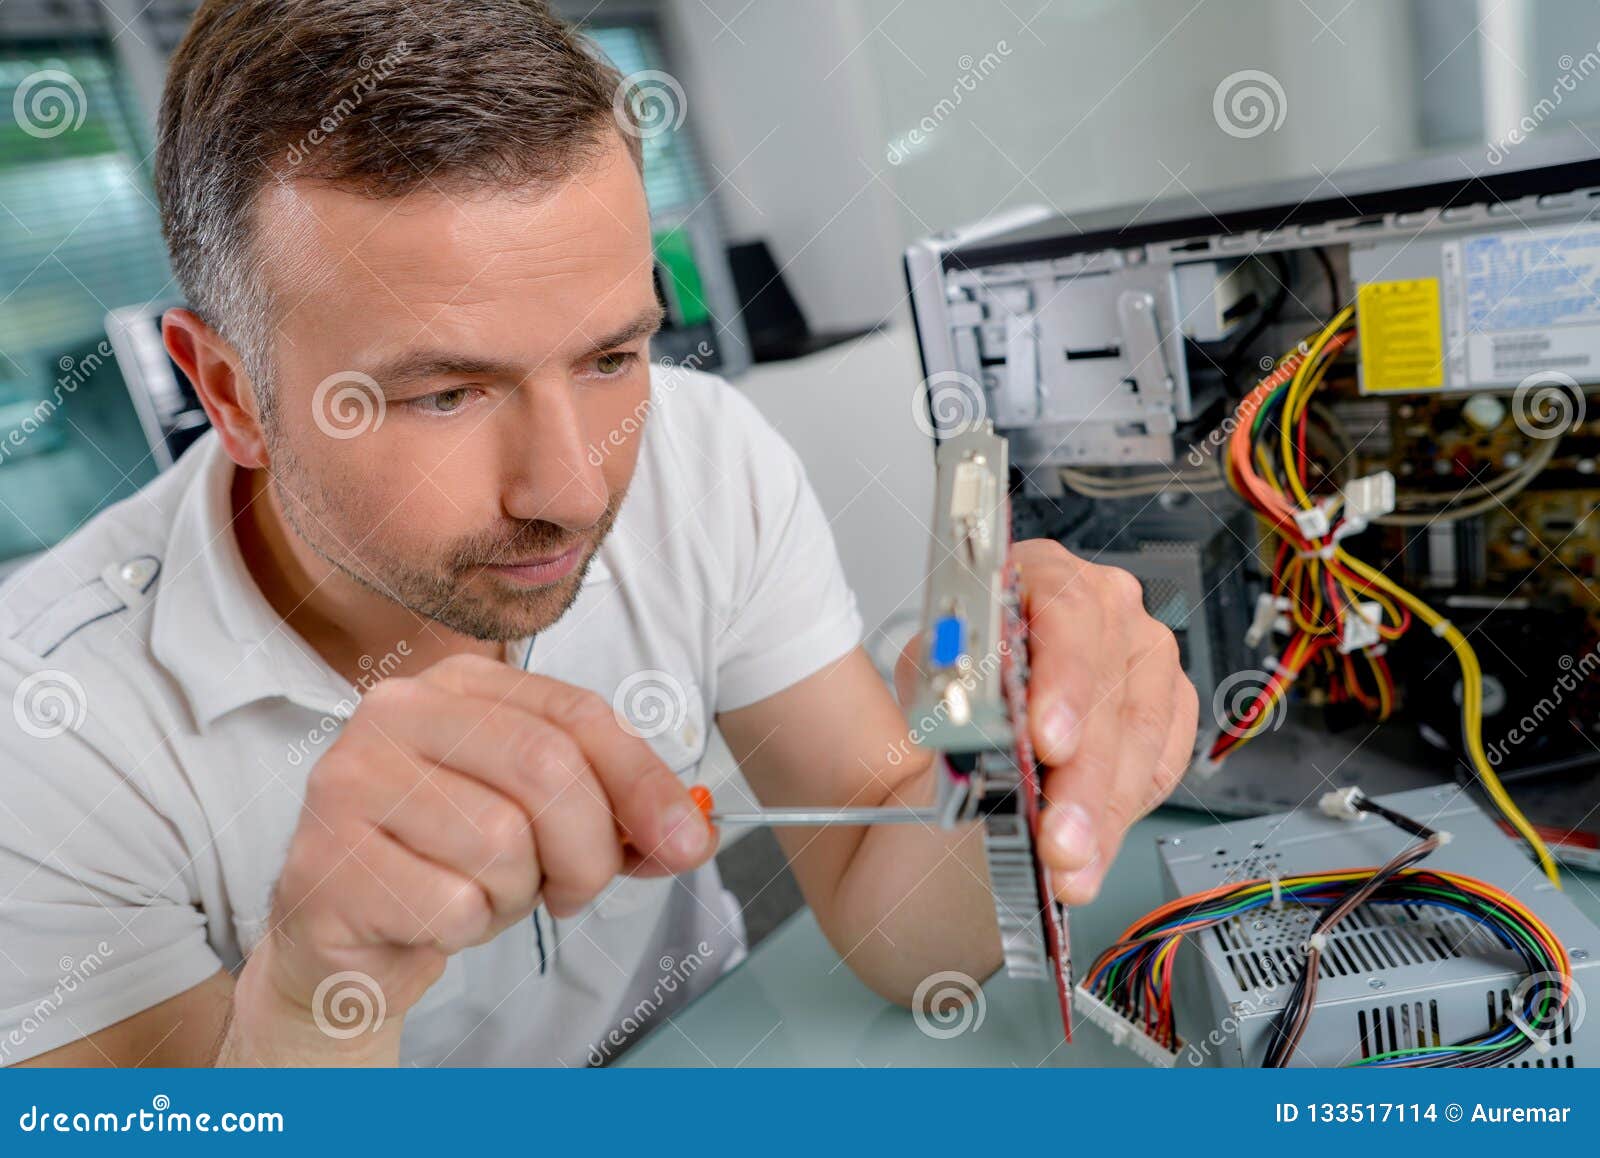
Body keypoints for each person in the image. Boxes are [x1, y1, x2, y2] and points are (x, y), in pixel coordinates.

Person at [0, 0, 1197, 1067]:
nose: (572, 490)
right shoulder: (45, 730)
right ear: (228, 393)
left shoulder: (703, 452)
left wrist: (1023, 775)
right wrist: (317, 1001)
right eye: (441, 394)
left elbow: (886, 915)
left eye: (612, 356)